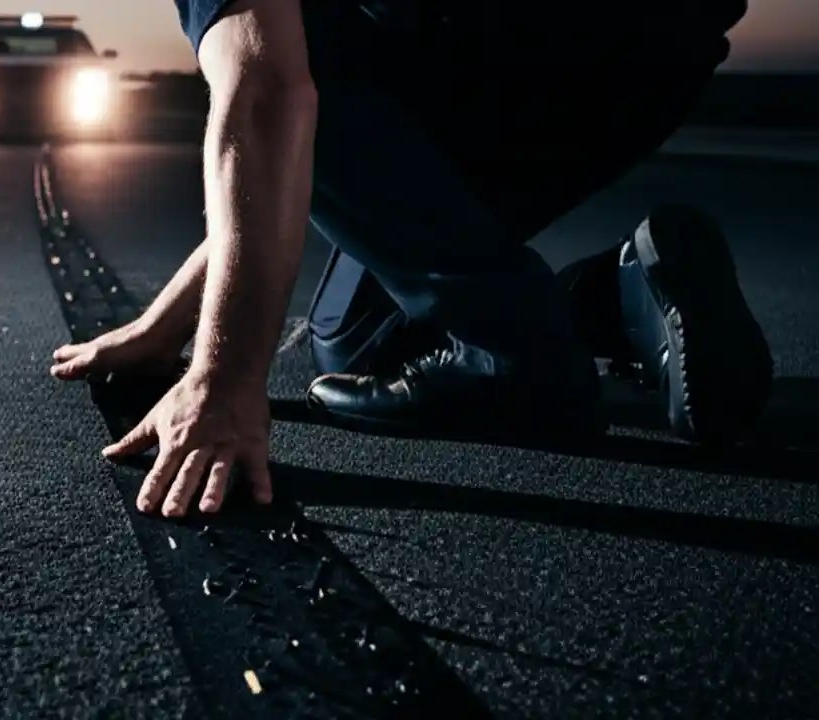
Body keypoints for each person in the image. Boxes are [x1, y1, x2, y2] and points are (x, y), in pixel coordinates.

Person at [49, 0, 773, 518]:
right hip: (661, 47)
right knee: (359, 333)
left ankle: (518, 354)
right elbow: (280, 172)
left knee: (296, 53)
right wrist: (169, 324)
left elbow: (274, 98)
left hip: (508, 41)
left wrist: (222, 379)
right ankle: (627, 293)